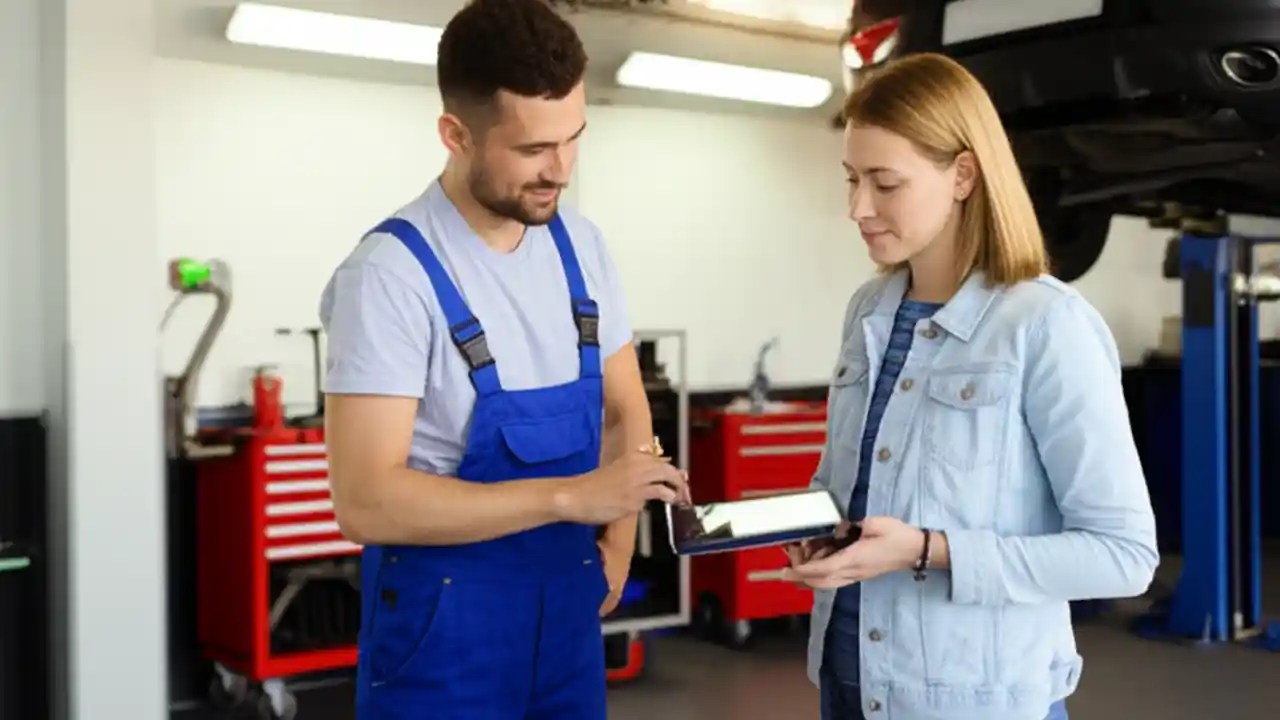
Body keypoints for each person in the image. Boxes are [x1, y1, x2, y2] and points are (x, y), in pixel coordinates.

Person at [318, 1, 689, 717]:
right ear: (455, 134)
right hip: (444, 632)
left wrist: (616, 543)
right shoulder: (390, 275)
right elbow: (364, 500)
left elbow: (625, 406)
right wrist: (569, 499)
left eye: (573, 139)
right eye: (531, 151)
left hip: (568, 618)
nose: (560, 170)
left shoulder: (581, 246)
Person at [781, 52, 1160, 720]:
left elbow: (1123, 557)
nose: (856, 207)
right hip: (847, 684)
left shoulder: (1046, 325)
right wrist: (816, 524)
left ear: (962, 175)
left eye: (884, 183)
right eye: (851, 179)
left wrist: (929, 552)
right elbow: (851, 486)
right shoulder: (869, 311)